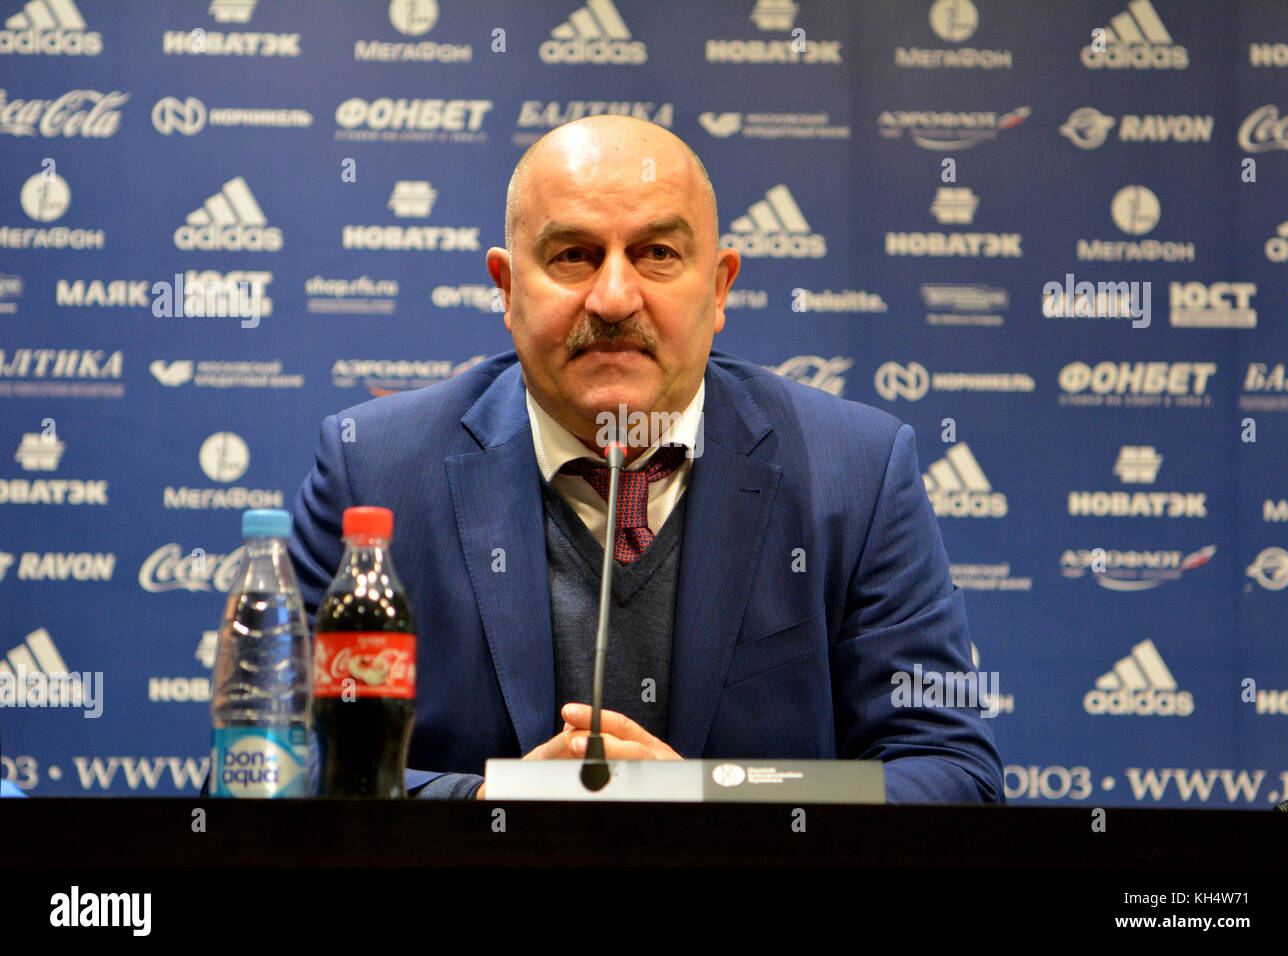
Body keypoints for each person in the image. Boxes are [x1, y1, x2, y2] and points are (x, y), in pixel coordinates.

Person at [289, 115, 1003, 802]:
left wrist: (702, 804)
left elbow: (947, 773)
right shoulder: (374, 468)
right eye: (573, 255)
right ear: (506, 289)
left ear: (719, 287)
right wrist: (490, 805)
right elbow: (274, 763)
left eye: (657, 254)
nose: (613, 296)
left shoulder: (857, 472)